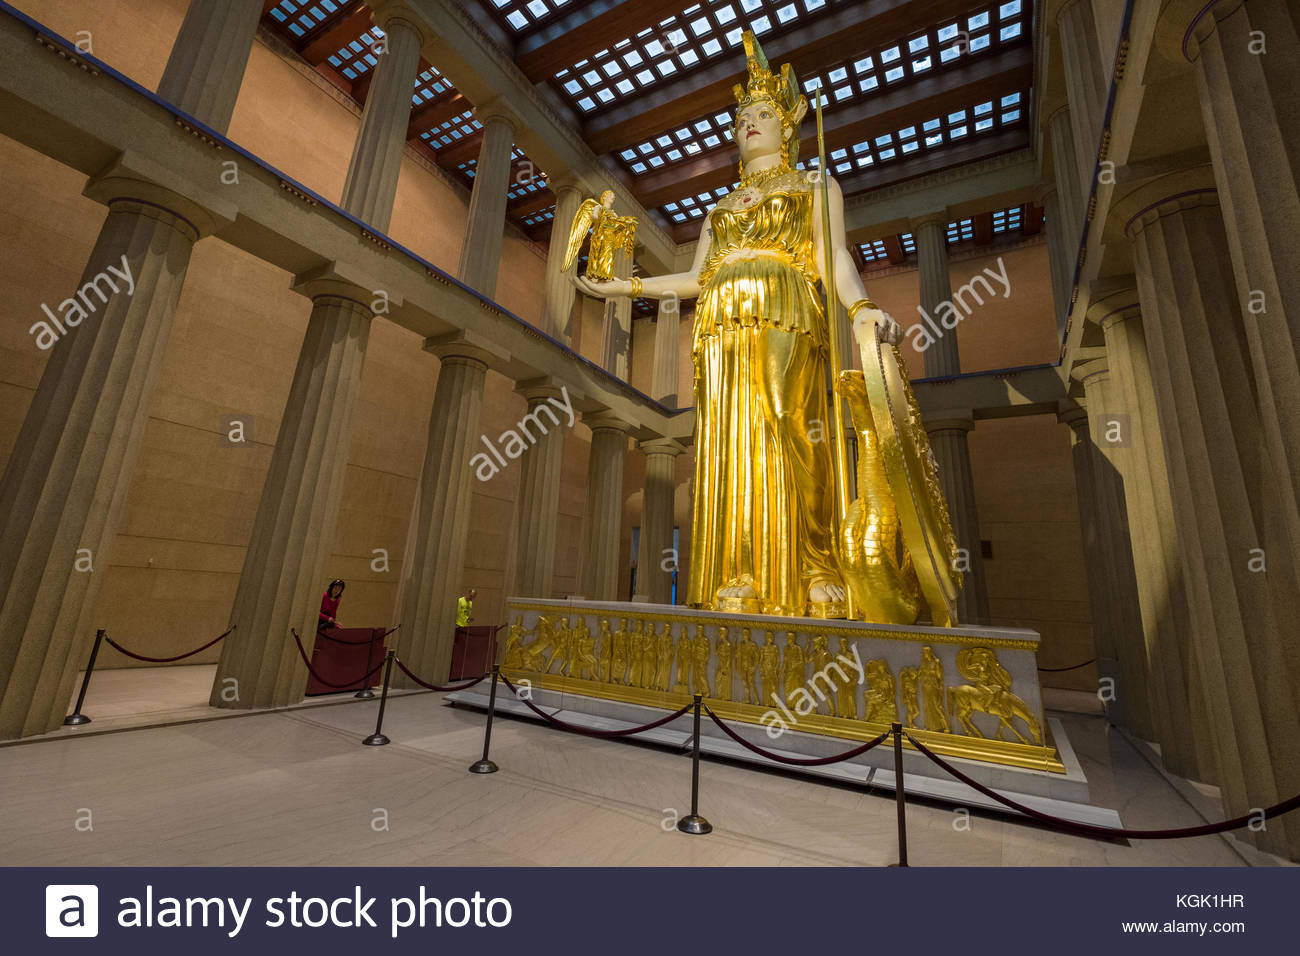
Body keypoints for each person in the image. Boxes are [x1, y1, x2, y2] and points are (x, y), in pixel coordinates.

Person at [573, 31, 904, 619]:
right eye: (743, 116)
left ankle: (816, 563)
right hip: (722, 326)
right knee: (733, 444)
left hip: (785, 307)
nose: (750, 122)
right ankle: (742, 570)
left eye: (762, 114)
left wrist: (860, 308)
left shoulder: (813, 185)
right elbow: (698, 278)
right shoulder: (719, 209)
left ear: (787, 127)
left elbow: (831, 257)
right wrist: (628, 286)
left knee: (789, 423)